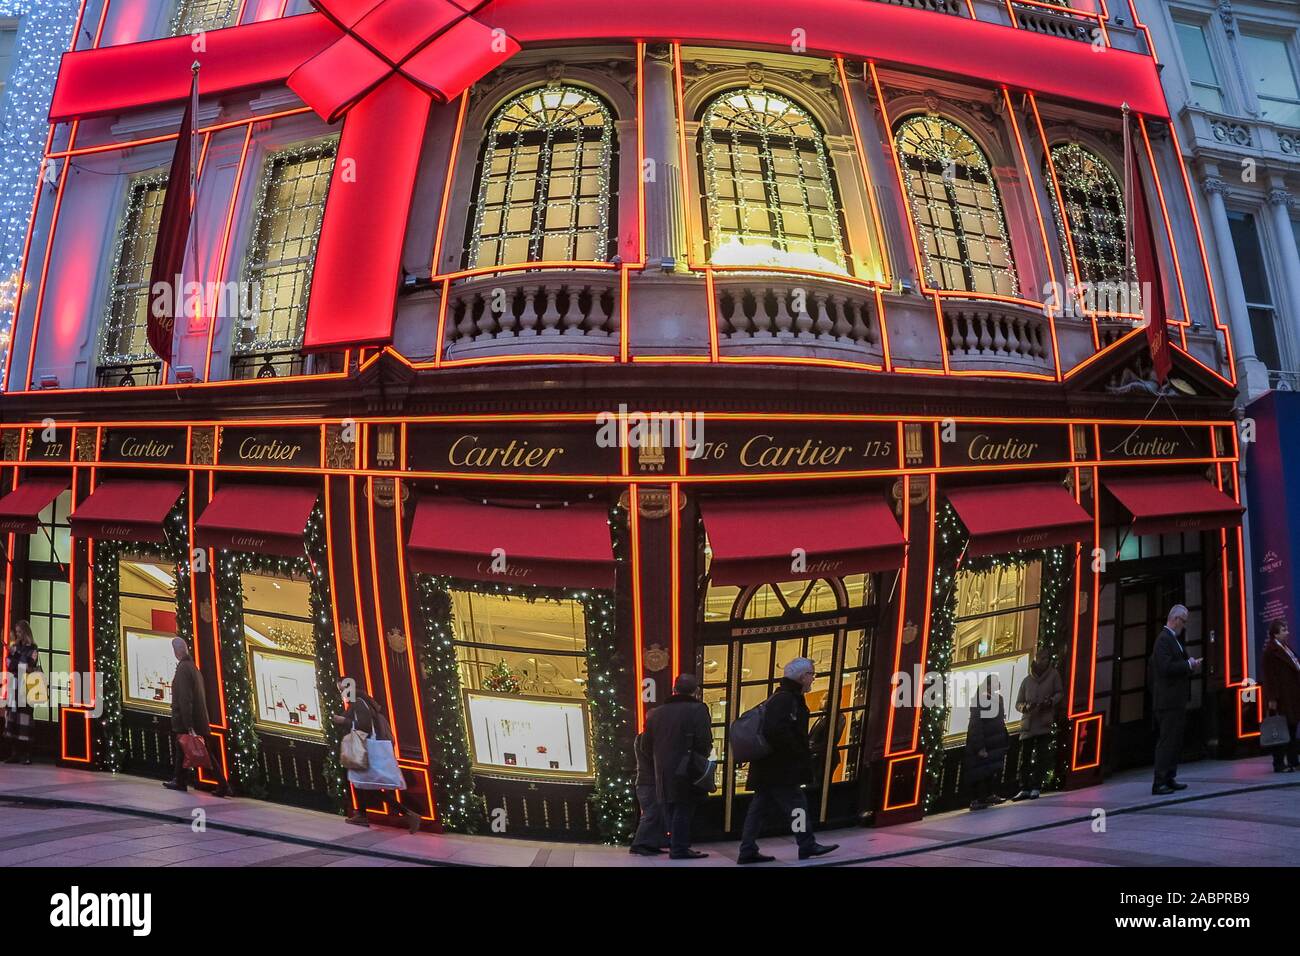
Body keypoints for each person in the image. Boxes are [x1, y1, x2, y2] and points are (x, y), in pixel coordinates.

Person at [737, 658, 839, 864]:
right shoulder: (786, 699)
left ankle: (747, 849)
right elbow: (777, 731)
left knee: (758, 809)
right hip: (781, 769)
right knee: (797, 807)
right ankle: (806, 843)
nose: (813, 679)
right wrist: (798, 752)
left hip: (769, 768)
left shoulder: (781, 697)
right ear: (802, 677)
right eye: (812, 674)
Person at [332, 681, 422, 834]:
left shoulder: (359, 702)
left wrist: (343, 721)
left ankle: (407, 814)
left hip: (364, 749)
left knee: (365, 785)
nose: (341, 693)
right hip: (364, 748)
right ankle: (363, 815)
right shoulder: (362, 701)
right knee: (362, 784)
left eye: (342, 689)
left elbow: (364, 726)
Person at [644, 673, 713, 859]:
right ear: (696, 691)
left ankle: (677, 845)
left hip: (663, 770)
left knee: (672, 808)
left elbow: (645, 745)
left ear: (674, 690)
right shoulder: (698, 709)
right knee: (685, 808)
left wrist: (660, 759)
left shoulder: (657, 713)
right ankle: (680, 848)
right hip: (687, 767)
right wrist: (701, 758)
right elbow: (704, 740)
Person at [164, 637, 229, 796]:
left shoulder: (183, 669)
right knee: (187, 751)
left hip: (190, 721)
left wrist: (188, 724)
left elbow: (185, 698)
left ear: (177, 651)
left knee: (201, 753)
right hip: (199, 719)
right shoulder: (193, 668)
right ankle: (179, 780)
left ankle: (222, 784)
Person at [1150, 604, 1200, 795]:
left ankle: (1170, 777)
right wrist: (1187, 664)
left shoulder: (1174, 639)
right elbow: (1165, 668)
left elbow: (1176, 664)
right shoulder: (1163, 640)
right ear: (1176, 619)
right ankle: (1159, 781)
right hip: (1167, 701)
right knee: (1167, 740)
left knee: (1175, 740)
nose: (1184, 625)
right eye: (1183, 621)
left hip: (1176, 699)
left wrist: (1190, 664)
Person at [1012, 648, 1063, 800]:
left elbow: (1059, 693)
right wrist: (1025, 707)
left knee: (1041, 756)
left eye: (1046, 658)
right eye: (1041, 658)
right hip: (1028, 723)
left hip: (1044, 722)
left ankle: (1036, 786)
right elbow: (1018, 703)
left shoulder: (1053, 675)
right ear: (1036, 660)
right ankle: (1024, 787)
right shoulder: (1027, 681)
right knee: (1025, 758)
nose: (1044, 661)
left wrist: (1050, 702)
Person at [965, 673, 1010, 810]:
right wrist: (980, 746)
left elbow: (1000, 721)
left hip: (994, 741)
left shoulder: (998, 699)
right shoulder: (979, 701)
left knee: (991, 770)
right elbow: (976, 724)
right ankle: (977, 799)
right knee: (979, 771)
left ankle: (989, 794)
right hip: (983, 742)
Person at [1261, 619, 1300, 773]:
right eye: (1284, 630)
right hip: (1282, 697)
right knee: (1280, 730)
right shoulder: (1270, 652)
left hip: (1291, 694)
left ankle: (1293, 760)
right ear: (1276, 634)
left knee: (1291, 727)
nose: (1287, 632)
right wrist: (1272, 699)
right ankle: (1278, 763)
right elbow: (1269, 677)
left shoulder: (1285, 648)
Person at [3, 621, 41, 765]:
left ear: (25, 632)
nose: (17, 634)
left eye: (19, 632)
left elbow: (29, 665)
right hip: (15, 686)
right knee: (13, 718)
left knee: (25, 718)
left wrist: (16, 655)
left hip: (26, 687)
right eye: (16, 632)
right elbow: (9, 664)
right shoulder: (15, 647)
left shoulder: (33, 648)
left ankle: (26, 754)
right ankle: (14, 753)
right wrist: (17, 659)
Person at [629, 730, 669, 855]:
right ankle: (639, 844)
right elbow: (653, 758)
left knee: (655, 814)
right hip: (648, 782)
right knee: (651, 813)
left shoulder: (642, 738)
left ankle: (650, 844)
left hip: (646, 782)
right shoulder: (645, 739)